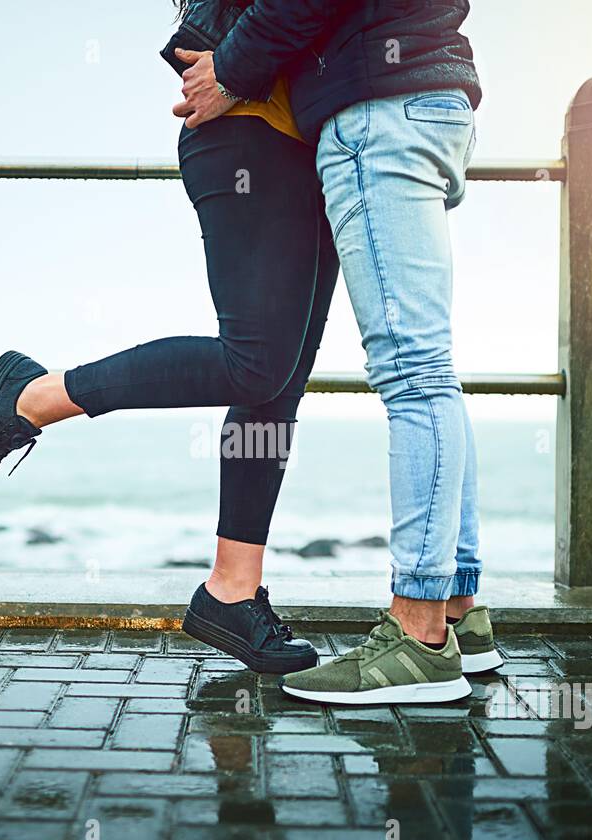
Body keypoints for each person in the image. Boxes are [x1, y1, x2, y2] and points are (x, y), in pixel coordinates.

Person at [0, 1, 339, 677]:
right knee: (257, 365)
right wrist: (243, 67)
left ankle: (231, 593)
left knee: (281, 379)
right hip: (248, 129)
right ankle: (32, 396)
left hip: (305, 138)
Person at [174, 0, 503, 704]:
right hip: (430, 94)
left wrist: (230, 68)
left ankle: (417, 639)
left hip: (377, 107)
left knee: (414, 375)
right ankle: (458, 616)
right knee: (429, 368)